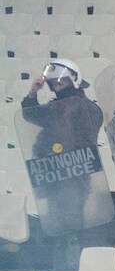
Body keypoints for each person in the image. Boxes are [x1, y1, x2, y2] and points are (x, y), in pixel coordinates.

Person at [20, 59, 105, 231]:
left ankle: (73, 257)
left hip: (74, 174)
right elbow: (31, 115)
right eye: (54, 84)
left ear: (74, 81)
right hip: (55, 174)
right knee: (56, 223)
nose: (57, 86)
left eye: (62, 82)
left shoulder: (87, 108)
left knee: (70, 223)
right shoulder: (57, 108)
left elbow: (84, 142)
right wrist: (32, 93)